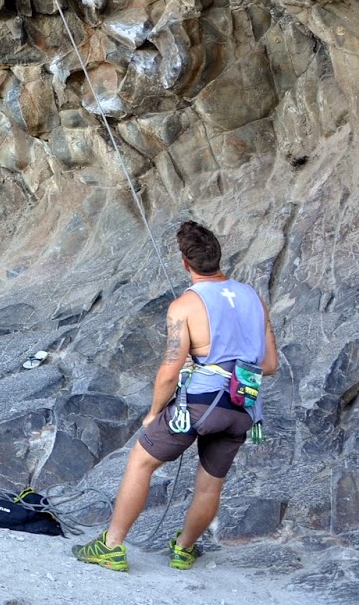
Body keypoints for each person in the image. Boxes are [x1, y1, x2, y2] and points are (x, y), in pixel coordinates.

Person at [73, 221, 280, 572]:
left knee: (141, 462)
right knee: (210, 483)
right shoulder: (253, 298)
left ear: (185, 263)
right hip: (242, 408)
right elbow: (270, 364)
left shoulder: (184, 306)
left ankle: (111, 546)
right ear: (218, 257)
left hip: (199, 406)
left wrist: (154, 413)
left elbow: (170, 371)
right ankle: (184, 549)